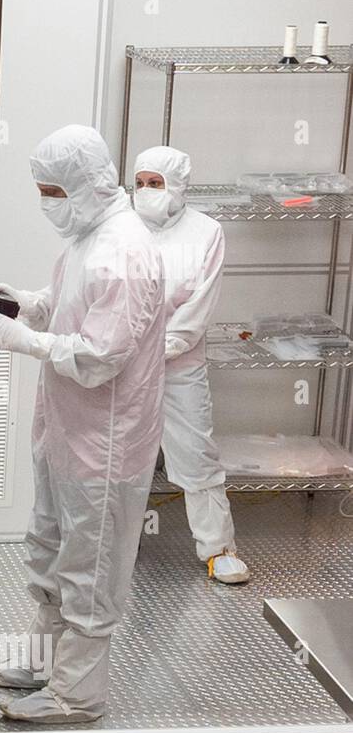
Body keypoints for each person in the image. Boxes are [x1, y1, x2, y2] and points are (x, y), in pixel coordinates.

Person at [0, 125, 165, 723]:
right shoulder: (90, 236)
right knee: (50, 548)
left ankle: (76, 694)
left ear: (83, 184)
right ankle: (45, 662)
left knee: (89, 569)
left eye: (50, 191)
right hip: (67, 434)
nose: (45, 203)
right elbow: (68, 301)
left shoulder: (125, 253)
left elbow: (98, 357)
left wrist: (24, 341)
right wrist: (26, 304)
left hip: (104, 444)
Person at [134, 145, 249, 584]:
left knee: (196, 455)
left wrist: (160, 347)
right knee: (121, 457)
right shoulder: (120, 228)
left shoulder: (206, 231)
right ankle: (115, 547)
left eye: (156, 183)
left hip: (179, 365)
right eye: (140, 183)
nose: (145, 192)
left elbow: (198, 307)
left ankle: (218, 548)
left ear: (179, 186)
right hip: (123, 365)